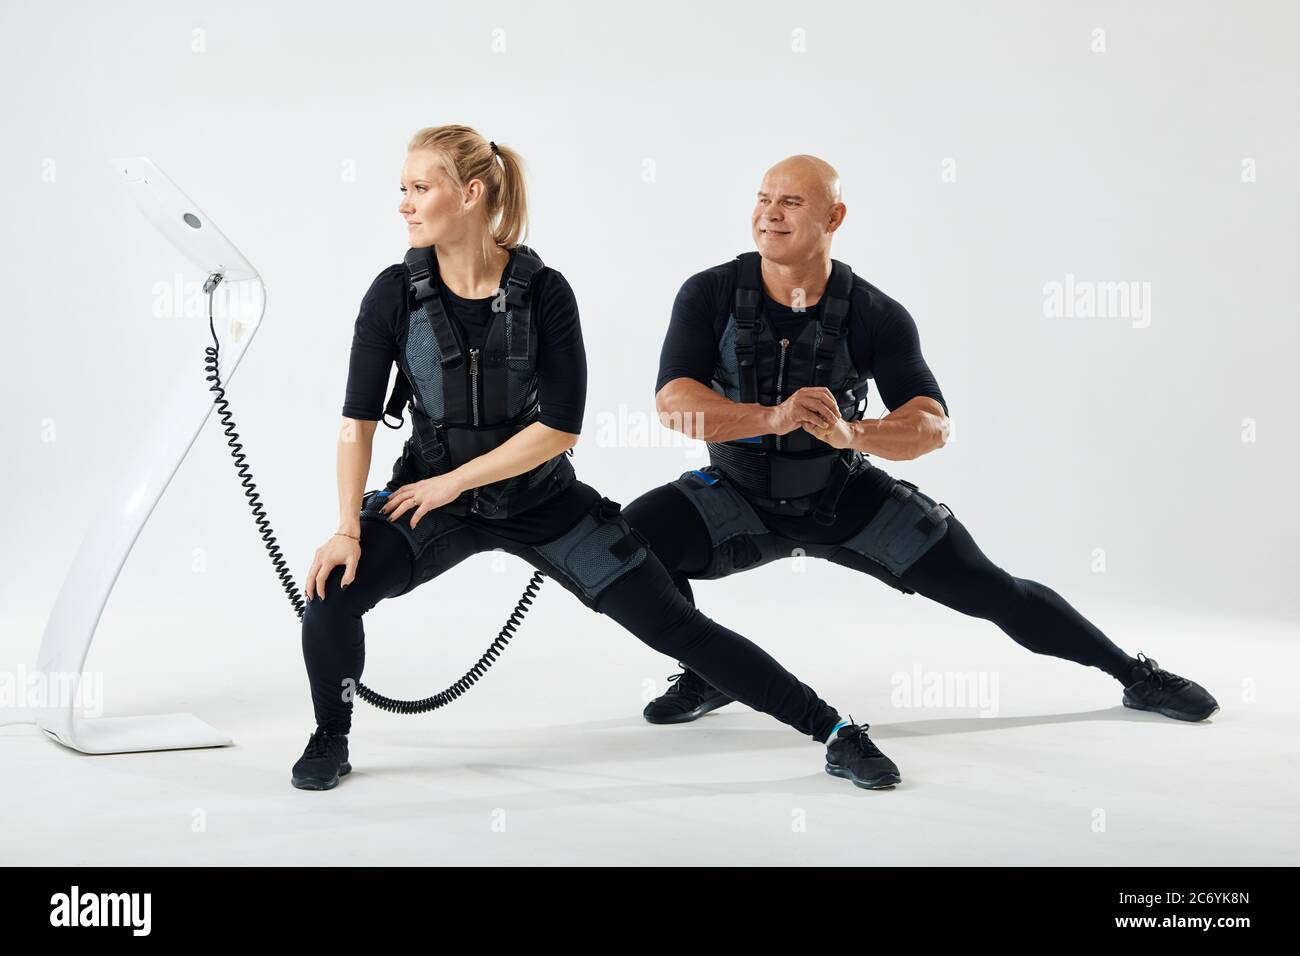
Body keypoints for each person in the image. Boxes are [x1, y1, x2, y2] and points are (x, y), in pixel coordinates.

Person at [293, 128, 882, 791]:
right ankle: (329, 740)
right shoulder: (392, 293)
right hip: (427, 500)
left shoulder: (544, 291)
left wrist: (451, 482)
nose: (404, 203)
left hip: (541, 503)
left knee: (673, 625)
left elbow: (559, 429)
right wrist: (347, 528)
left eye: (419, 188)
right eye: (402, 189)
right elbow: (357, 422)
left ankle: (835, 731)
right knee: (330, 592)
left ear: (471, 194)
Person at [625, 154, 1218, 783]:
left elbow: (932, 425)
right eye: (764, 197)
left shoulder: (874, 313)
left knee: (993, 591)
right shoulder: (709, 293)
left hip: (842, 499)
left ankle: (1135, 676)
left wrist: (851, 432)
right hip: (738, 497)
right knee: (627, 547)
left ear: (834, 217)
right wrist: (772, 418)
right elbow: (673, 406)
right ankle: (710, 675)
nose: (770, 213)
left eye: (792, 202)